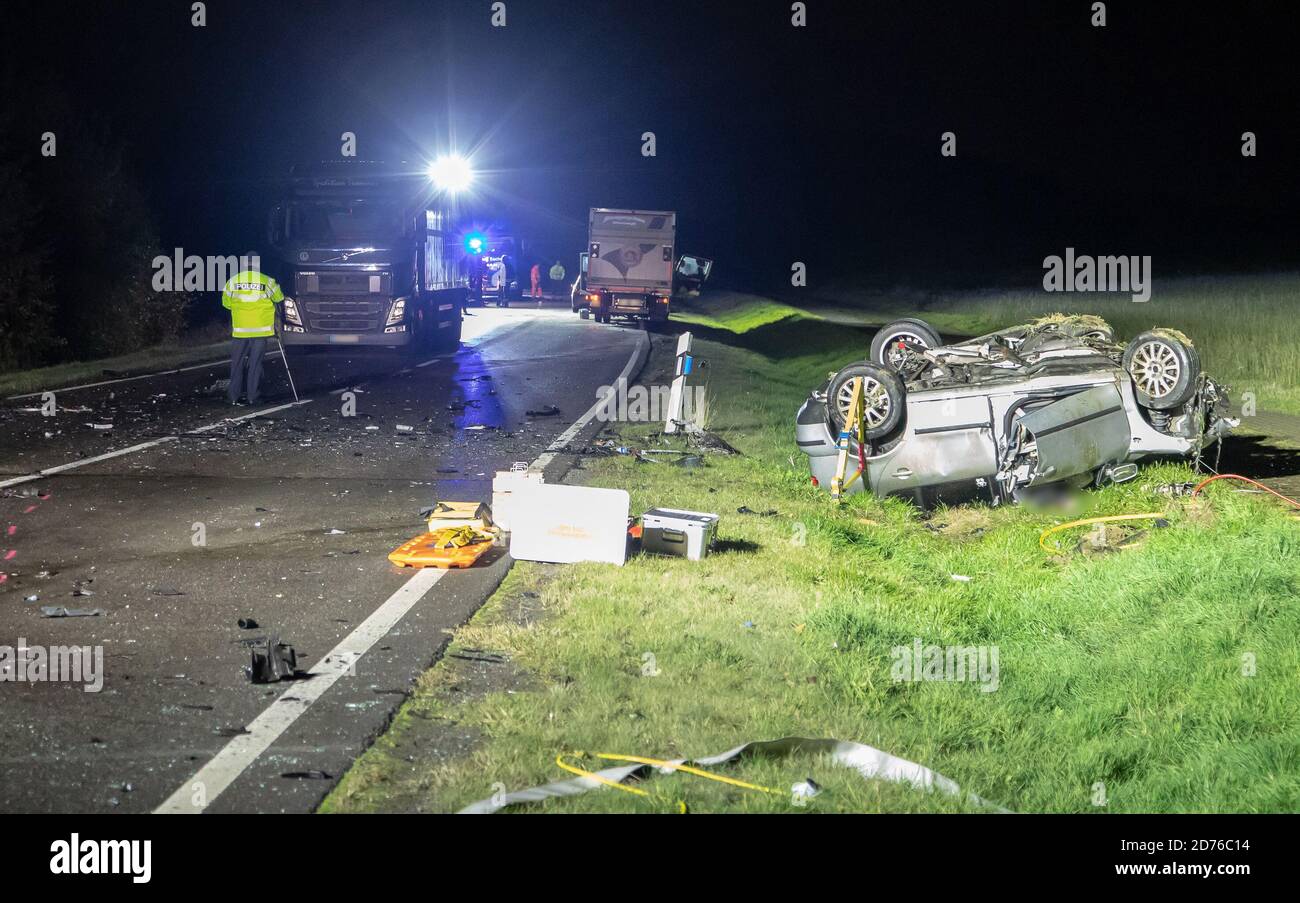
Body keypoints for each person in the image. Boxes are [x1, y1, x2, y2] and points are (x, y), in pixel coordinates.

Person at [221, 264, 283, 406]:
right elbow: (279, 298)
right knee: (255, 364)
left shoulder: (233, 281)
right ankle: (252, 397)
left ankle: (232, 397)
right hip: (260, 330)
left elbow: (226, 303)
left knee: (236, 363)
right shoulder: (267, 281)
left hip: (240, 330)